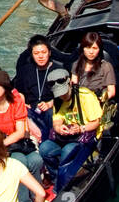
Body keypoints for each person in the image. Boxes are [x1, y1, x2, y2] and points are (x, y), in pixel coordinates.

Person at [38, 37, 106, 188]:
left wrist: (80, 128)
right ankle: (57, 178)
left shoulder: (86, 96)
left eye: (63, 92)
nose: (62, 96)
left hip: (84, 136)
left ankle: (62, 184)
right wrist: (58, 127)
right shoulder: (58, 100)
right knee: (44, 149)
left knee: (67, 153)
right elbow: (57, 119)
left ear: (70, 83)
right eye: (59, 93)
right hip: (65, 136)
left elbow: (96, 122)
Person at [14, 36, 69, 141]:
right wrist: (23, 104)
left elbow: (64, 96)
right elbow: (19, 92)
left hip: (52, 108)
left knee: (50, 113)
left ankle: (50, 139)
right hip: (30, 109)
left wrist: (49, 104)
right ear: (32, 55)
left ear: (49, 52)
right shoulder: (25, 71)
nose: (40, 56)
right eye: (36, 53)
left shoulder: (59, 70)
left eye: (43, 52)